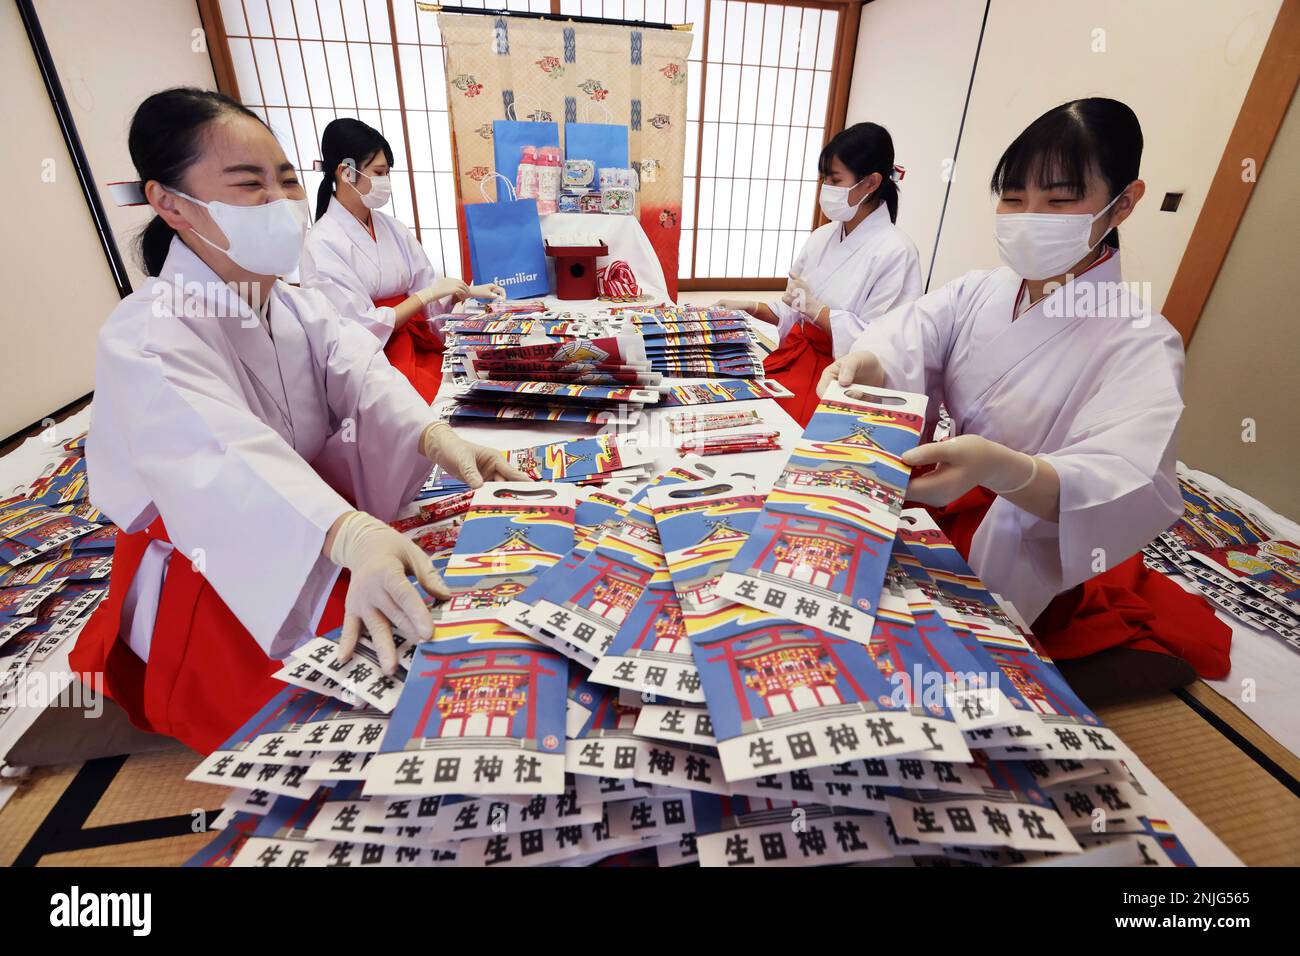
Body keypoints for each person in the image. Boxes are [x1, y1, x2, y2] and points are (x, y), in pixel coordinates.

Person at [70, 88, 525, 754]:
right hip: (228, 550)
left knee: (434, 613)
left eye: (286, 181)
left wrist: (438, 437)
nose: (281, 204)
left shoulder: (290, 301)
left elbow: (361, 373)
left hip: (316, 515)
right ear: (169, 202)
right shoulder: (146, 335)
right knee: (368, 692)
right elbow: (223, 459)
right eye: (249, 185)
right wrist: (349, 535)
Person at [821, 98, 1230, 678]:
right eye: (1014, 199)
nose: (1029, 215)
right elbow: (911, 335)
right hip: (941, 498)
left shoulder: (1141, 341)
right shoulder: (979, 290)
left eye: (1059, 200)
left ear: (1124, 204)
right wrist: (866, 360)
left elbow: (1130, 477)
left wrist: (1008, 470)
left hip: (1030, 540)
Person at [719, 122, 921, 424]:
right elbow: (794, 311)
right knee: (741, 409)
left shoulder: (897, 252)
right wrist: (751, 308)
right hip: (797, 357)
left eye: (835, 179)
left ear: (871, 183)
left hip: (842, 378)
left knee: (779, 433)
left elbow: (884, 345)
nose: (825, 187)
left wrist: (818, 311)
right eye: (824, 178)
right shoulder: (822, 236)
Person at [300, 118, 503, 402]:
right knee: (425, 407)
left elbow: (429, 291)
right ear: (346, 173)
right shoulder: (321, 243)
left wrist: (461, 296)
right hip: (375, 359)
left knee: (471, 385)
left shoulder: (392, 228)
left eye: (387, 173)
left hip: (419, 342)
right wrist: (424, 296)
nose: (386, 182)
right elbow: (354, 327)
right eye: (379, 172)